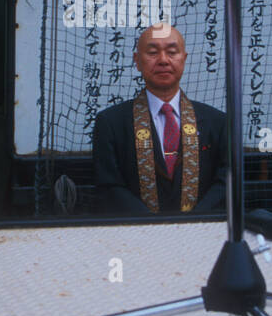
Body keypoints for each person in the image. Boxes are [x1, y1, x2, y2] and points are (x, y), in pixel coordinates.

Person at [92, 23, 229, 214]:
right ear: (137, 61)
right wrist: (154, 226)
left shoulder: (218, 122)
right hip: (135, 234)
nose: (163, 60)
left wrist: (192, 223)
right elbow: (109, 187)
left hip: (201, 232)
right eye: (153, 52)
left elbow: (226, 184)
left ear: (184, 59)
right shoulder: (110, 123)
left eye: (172, 52)